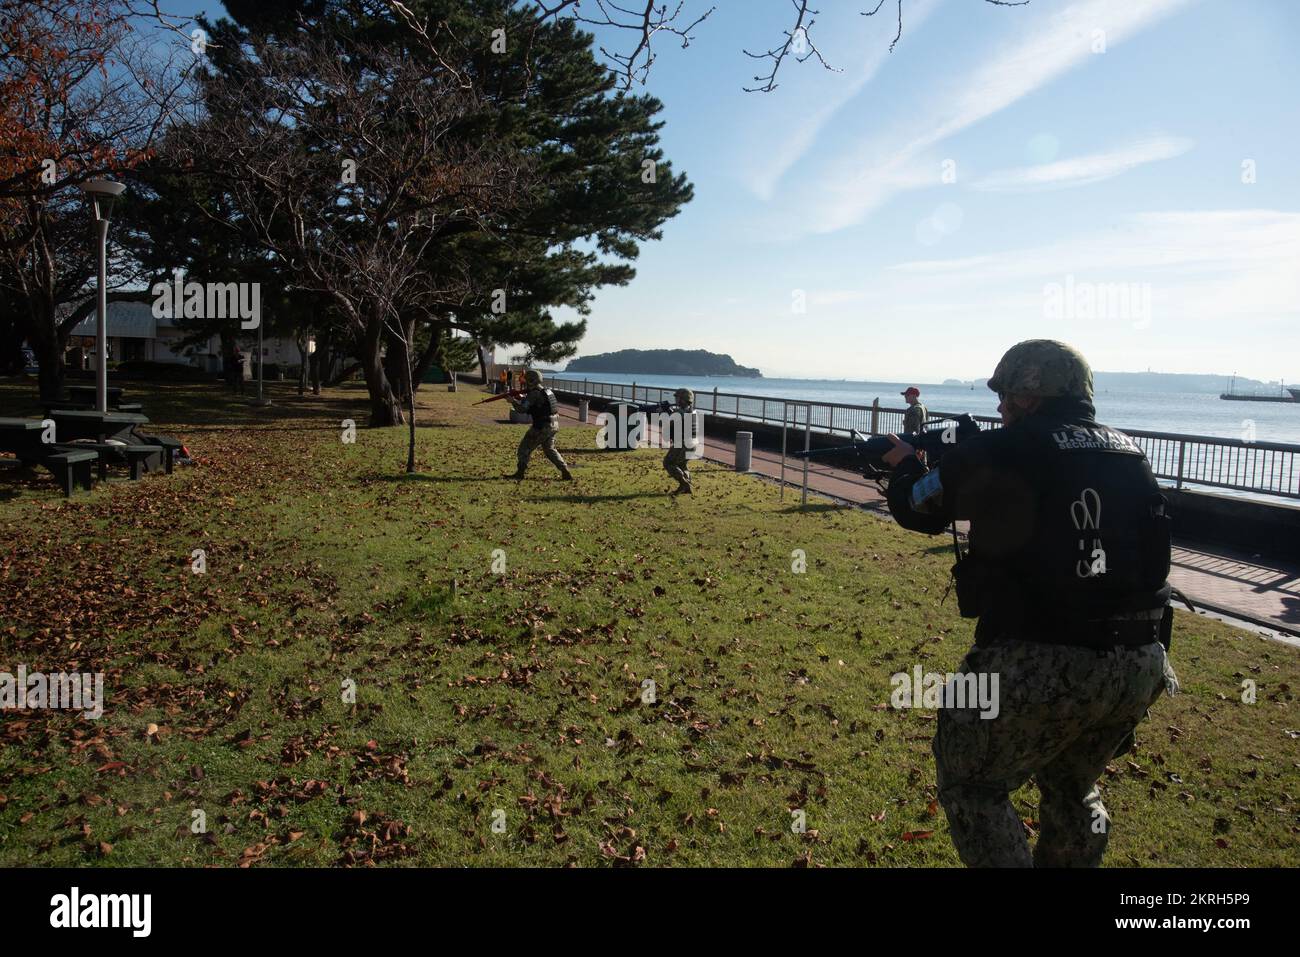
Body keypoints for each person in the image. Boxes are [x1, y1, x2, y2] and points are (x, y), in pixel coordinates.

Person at [880, 339, 1178, 868]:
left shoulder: (1008, 448)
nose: (1000, 407)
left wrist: (904, 466)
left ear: (1029, 395)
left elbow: (920, 507)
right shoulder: (1128, 450)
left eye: (1006, 395)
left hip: (1041, 652)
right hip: (1140, 661)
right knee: (1072, 784)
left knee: (973, 784)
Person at [507, 369, 573, 481]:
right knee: (549, 449)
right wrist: (522, 398)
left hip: (541, 426)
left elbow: (522, 409)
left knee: (524, 448)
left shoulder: (533, 393)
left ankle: (520, 472)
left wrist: (512, 401)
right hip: (554, 424)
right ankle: (564, 470)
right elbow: (539, 404)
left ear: (530, 381)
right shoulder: (546, 391)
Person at [661, 388, 696, 496]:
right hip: (693, 443)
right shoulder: (692, 411)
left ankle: (684, 484)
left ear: (683, 400)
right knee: (682, 464)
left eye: (677, 398)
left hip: (682, 443)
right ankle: (686, 487)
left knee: (668, 463)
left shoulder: (679, 412)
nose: (676, 400)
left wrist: (664, 412)